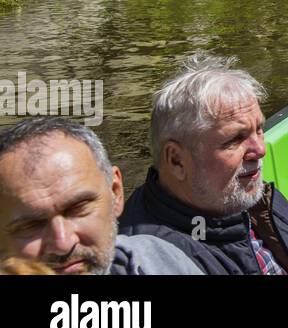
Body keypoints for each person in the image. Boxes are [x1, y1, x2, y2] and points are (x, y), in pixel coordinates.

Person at [118, 53, 288, 275]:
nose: (260, 150)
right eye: (235, 139)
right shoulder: (154, 261)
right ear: (177, 160)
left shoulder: (253, 198)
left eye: (259, 129)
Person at [0, 117, 202, 275]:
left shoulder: (161, 261)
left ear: (115, 193)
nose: (63, 244)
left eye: (77, 208)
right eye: (30, 225)